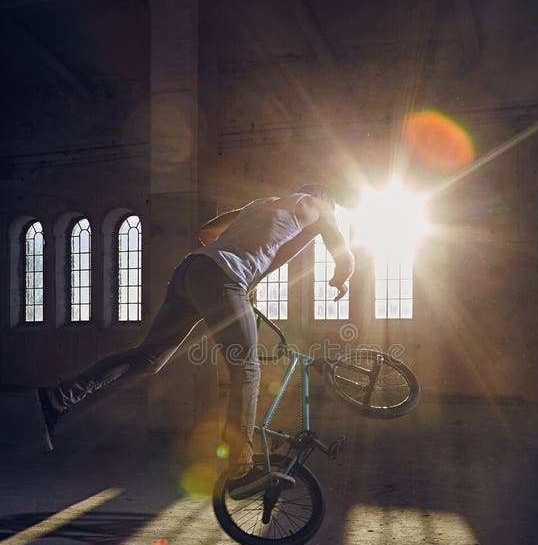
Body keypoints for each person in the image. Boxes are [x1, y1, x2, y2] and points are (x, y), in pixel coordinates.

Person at [37, 185, 355, 482]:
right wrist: (342, 278)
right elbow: (340, 248)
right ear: (324, 199)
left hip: (189, 272)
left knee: (149, 358)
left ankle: (58, 398)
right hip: (222, 279)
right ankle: (240, 457)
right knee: (246, 367)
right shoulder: (317, 205)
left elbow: (207, 232)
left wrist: (240, 278)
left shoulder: (263, 204)